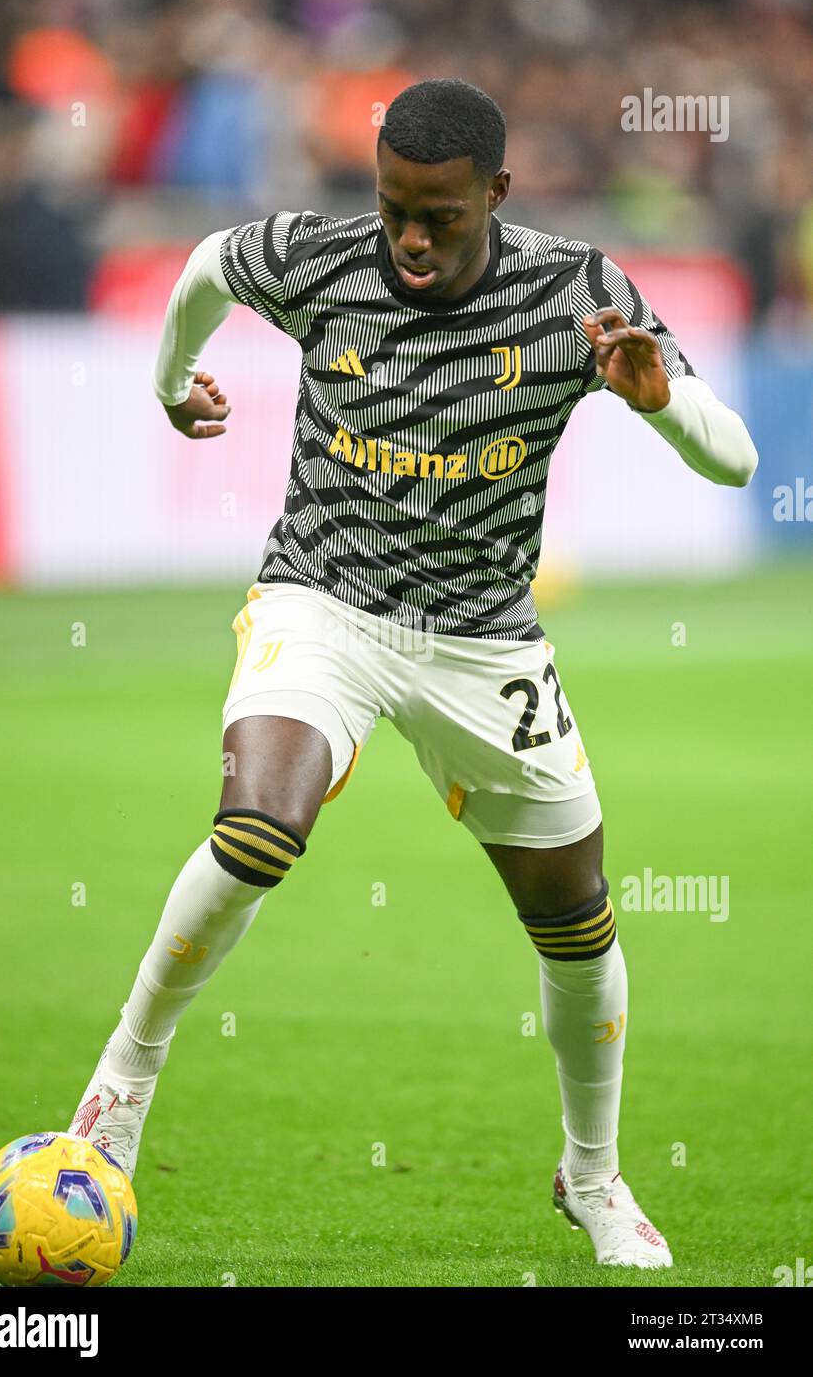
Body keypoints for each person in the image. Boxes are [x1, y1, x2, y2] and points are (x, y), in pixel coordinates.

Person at [69, 79, 757, 1269]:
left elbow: (736, 461)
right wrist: (170, 381)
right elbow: (202, 270)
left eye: (436, 213)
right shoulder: (312, 256)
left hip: (482, 638)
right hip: (321, 600)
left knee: (574, 922)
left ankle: (590, 1177)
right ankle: (116, 1095)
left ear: (493, 192)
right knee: (255, 830)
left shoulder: (578, 293)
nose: (409, 238)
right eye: (392, 206)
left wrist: (660, 405)